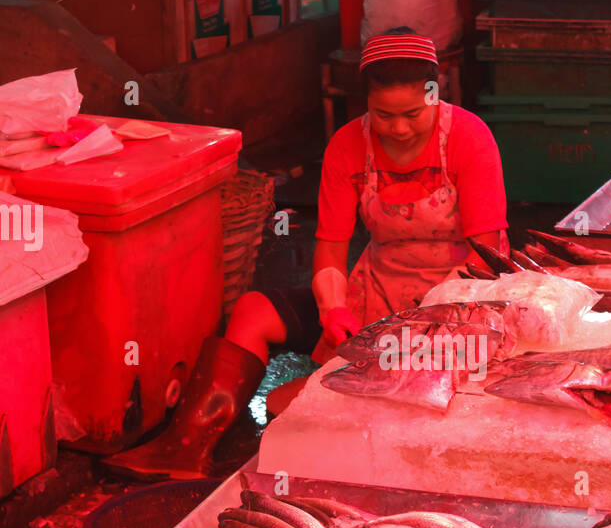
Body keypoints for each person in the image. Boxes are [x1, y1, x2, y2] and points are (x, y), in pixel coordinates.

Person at [111, 29, 509, 479]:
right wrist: (333, 308)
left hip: (459, 307)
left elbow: (486, 256)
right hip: (375, 296)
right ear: (365, 103)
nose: (398, 128)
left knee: (402, 414)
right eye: (384, 115)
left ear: (437, 96)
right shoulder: (346, 146)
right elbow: (331, 249)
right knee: (252, 310)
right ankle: (187, 452)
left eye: (413, 114)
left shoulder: (469, 138)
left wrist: (423, 323)